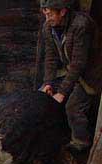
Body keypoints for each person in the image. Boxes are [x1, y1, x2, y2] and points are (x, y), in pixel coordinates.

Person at [39, 0, 100, 154]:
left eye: (51, 14)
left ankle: (81, 143)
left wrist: (62, 92)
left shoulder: (81, 25)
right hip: (72, 71)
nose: (47, 18)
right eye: (45, 13)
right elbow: (51, 58)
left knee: (73, 106)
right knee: (43, 93)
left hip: (91, 74)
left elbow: (78, 63)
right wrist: (48, 83)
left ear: (63, 11)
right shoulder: (48, 27)